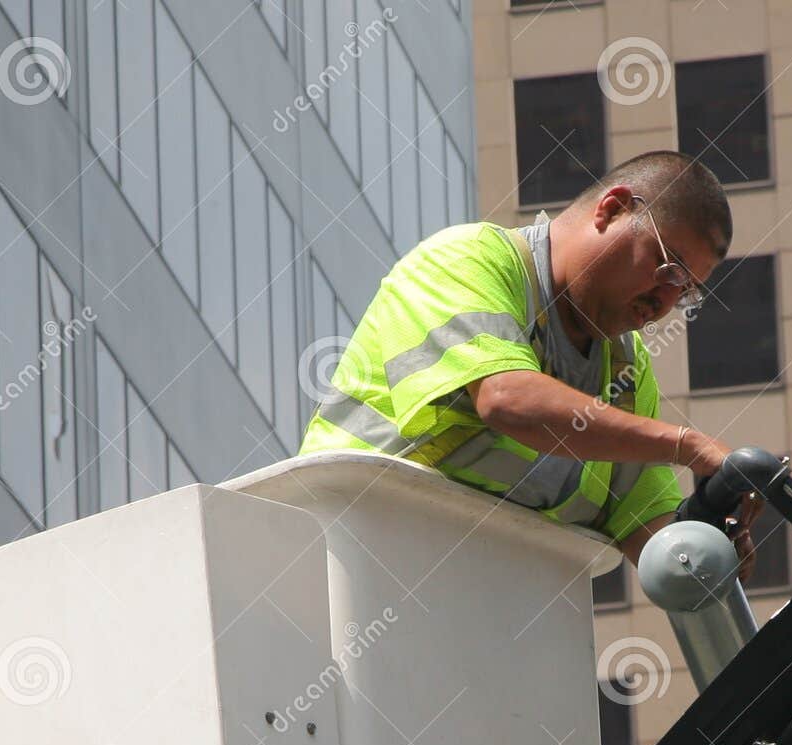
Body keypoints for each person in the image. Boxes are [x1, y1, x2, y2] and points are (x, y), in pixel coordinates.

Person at [299, 150, 763, 578]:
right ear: (613, 209)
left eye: (684, 293)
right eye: (667, 270)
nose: (663, 304)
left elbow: (652, 535)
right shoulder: (471, 260)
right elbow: (508, 399)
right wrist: (686, 445)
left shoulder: (625, 371)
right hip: (343, 562)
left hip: (478, 608)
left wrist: (706, 554)